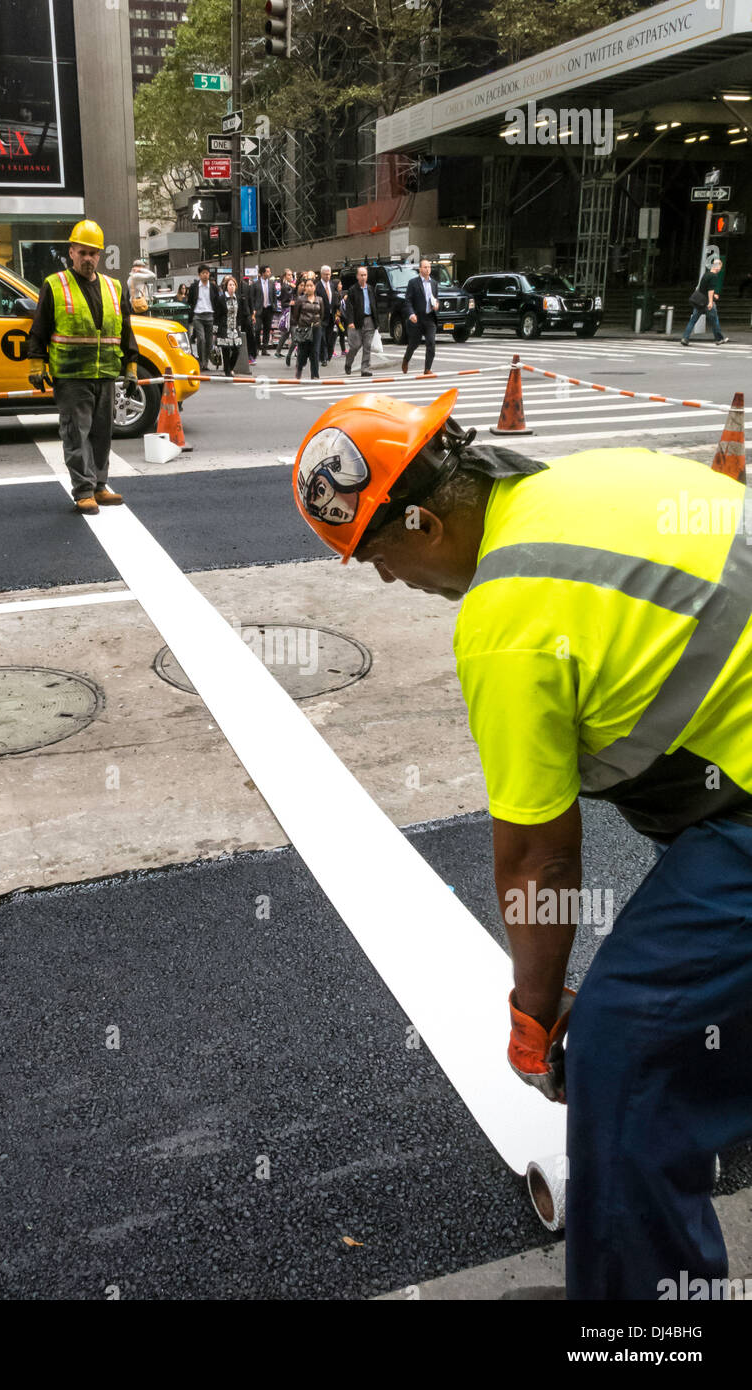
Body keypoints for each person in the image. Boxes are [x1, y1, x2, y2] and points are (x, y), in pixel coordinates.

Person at [292, 388, 752, 1301]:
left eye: (375, 552)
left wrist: (534, 1021)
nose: (385, 578)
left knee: (624, 1046)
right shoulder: (602, 476)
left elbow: (539, 862)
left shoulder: (506, 620)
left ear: (421, 520)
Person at [26, 219, 138, 515]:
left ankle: (100, 486)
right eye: (83, 252)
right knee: (76, 433)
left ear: (99, 255)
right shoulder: (55, 285)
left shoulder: (113, 287)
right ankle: (83, 490)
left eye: (94, 253)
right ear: (71, 252)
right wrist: (37, 364)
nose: (88, 259)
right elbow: (39, 328)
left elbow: (126, 330)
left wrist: (131, 367)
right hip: (72, 375)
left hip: (104, 373)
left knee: (102, 434)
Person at [402, 257, 440, 375]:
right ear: (420, 269)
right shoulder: (413, 283)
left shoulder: (434, 283)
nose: (428, 269)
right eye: (425, 267)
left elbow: (436, 298)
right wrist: (411, 314)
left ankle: (427, 369)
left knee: (431, 343)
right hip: (417, 318)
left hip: (429, 318)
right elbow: (407, 301)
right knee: (414, 343)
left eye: (429, 267)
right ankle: (406, 359)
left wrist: (437, 305)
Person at [681, 259, 729, 345]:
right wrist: (711, 302)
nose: (719, 269)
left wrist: (714, 295)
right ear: (717, 266)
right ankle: (719, 339)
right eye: (720, 267)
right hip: (707, 302)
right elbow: (710, 290)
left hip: (699, 302)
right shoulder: (714, 276)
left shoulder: (705, 274)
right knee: (714, 320)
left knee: (693, 320)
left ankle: (685, 338)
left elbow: (703, 288)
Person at [187, 264, 223, 371]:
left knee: (209, 341)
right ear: (199, 275)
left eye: (207, 273)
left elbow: (217, 302)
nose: (205, 275)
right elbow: (190, 301)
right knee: (201, 339)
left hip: (210, 316)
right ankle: (201, 361)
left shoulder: (213, 287)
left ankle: (206, 362)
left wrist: (217, 316)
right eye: (203, 273)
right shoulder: (194, 287)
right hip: (197, 316)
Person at [343, 265, 376, 376]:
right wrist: (350, 322)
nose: (363, 277)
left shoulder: (371, 289)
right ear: (357, 276)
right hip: (357, 321)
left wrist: (376, 321)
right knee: (356, 345)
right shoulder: (353, 290)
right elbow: (349, 307)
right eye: (361, 275)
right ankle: (348, 363)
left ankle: (365, 368)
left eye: (365, 275)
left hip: (370, 320)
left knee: (367, 345)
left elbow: (374, 305)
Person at [217, 275, 250, 377]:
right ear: (226, 286)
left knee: (236, 350)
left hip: (235, 328)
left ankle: (230, 368)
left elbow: (240, 314)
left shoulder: (238, 298)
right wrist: (215, 330)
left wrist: (239, 326)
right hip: (224, 328)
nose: (232, 287)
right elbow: (217, 315)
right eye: (230, 285)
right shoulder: (221, 299)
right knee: (226, 351)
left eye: (233, 285)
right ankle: (227, 372)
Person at [291, 275, 322, 381]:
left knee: (315, 352)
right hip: (304, 329)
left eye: (311, 285)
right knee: (303, 353)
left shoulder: (320, 300)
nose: (309, 288)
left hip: (316, 328)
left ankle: (315, 375)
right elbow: (295, 316)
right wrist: (300, 324)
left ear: (314, 287)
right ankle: (299, 369)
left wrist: (317, 323)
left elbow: (322, 314)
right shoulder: (300, 300)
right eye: (307, 286)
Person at [249, 265, 279, 357]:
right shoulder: (255, 284)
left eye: (269, 271)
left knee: (267, 329)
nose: (269, 273)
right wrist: (253, 309)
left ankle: (265, 348)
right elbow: (252, 297)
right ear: (262, 273)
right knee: (257, 329)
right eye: (268, 271)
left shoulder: (271, 283)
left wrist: (274, 306)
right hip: (258, 309)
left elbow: (274, 296)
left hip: (269, 309)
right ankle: (257, 347)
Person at [316, 265, 341, 366]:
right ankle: (323, 358)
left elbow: (334, 299)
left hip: (331, 316)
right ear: (321, 274)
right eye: (325, 274)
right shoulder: (317, 286)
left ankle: (325, 355)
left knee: (329, 336)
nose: (327, 276)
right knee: (322, 338)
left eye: (329, 274)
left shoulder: (331, 285)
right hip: (321, 316)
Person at [275, 269, 297, 357]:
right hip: (289, 312)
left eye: (291, 275)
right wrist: (290, 303)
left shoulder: (287, 286)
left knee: (286, 333)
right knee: (294, 336)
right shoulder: (286, 287)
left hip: (289, 312)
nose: (291, 276)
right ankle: (288, 354)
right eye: (288, 275)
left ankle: (278, 352)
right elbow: (284, 301)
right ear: (284, 276)